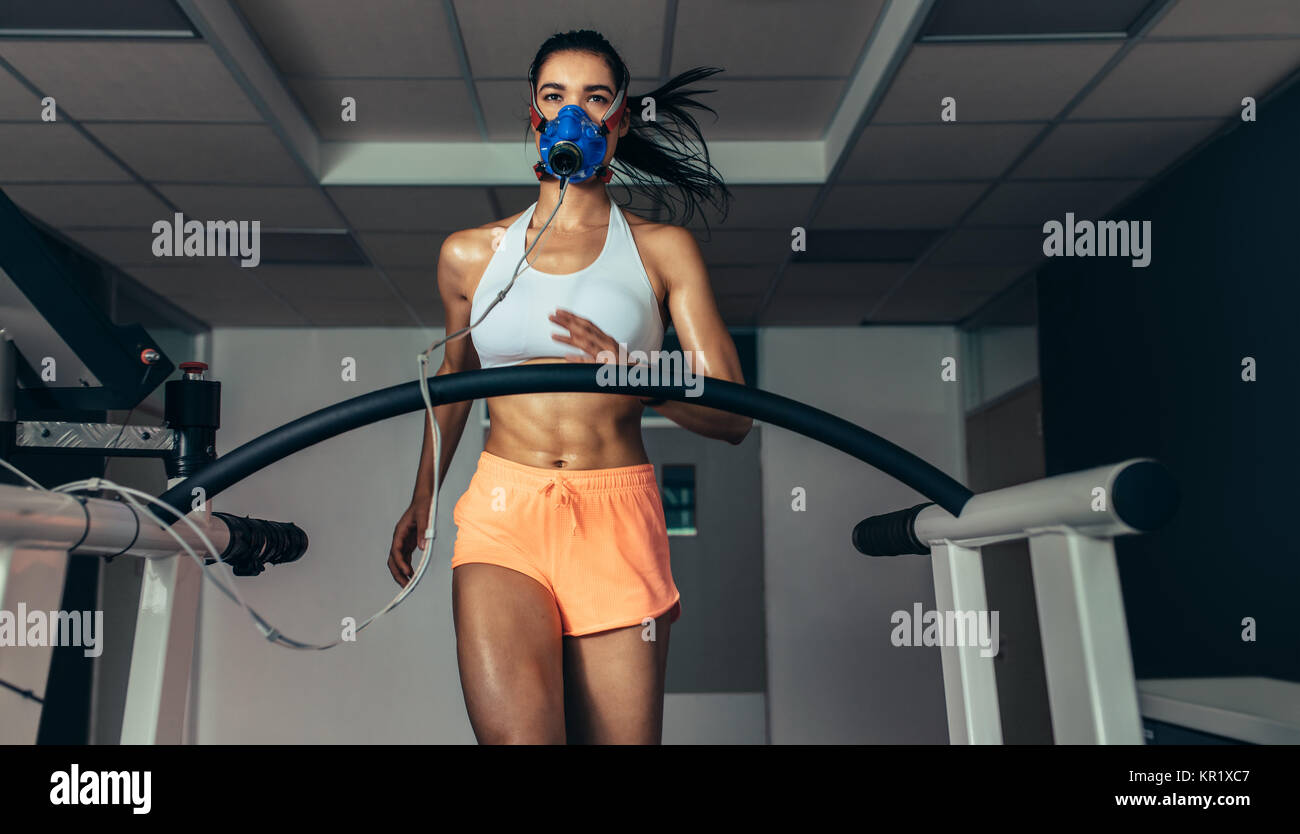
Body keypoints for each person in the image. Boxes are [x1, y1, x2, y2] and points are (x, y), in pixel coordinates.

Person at [387, 29, 751, 744]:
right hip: (504, 510)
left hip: (618, 513)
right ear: (533, 114)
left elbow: (733, 413)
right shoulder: (469, 255)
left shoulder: (661, 249)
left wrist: (637, 375)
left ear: (619, 118)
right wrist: (423, 495)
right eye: (555, 96)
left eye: (593, 98)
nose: (572, 114)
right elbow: (457, 382)